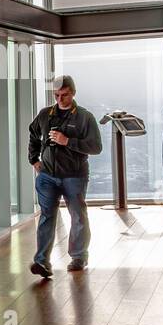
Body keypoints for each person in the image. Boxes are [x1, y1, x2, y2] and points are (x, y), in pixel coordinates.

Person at [27, 75, 102, 278]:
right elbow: (33, 135)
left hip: (74, 176)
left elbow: (96, 147)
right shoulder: (45, 115)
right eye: (57, 95)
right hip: (47, 176)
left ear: (73, 93)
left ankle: (78, 257)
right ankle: (41, 262)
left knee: (77, 216)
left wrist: (67, 141)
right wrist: (34, 160)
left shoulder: (85, 117)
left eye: (65, 95)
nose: (60, 100)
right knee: (46, 216)